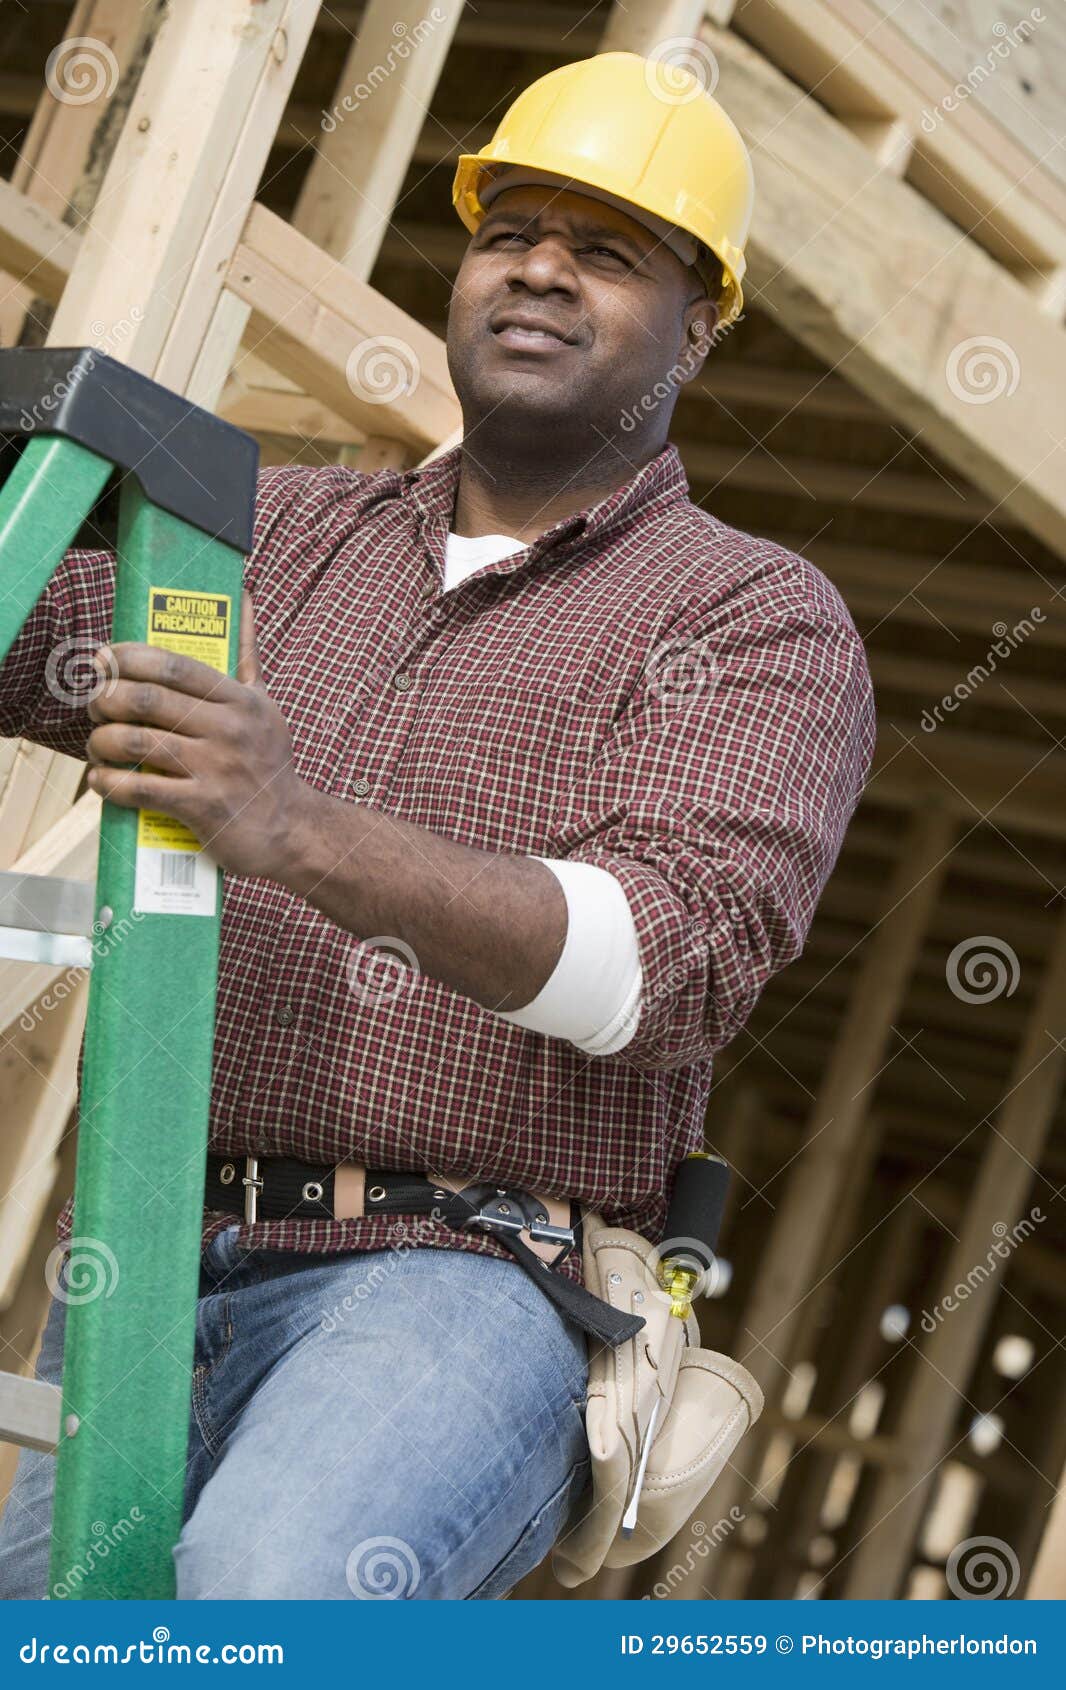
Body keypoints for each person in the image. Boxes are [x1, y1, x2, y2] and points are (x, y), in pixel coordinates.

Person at [0, 52, 874, 1600]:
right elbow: (24, 635)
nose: (538, 269)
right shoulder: (270, 535)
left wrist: (292, 824)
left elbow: (664, 963)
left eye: (605, 250)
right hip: (144, 1252)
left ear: (698, 325)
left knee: (264, 1594)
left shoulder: (750, 618)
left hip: (462, 1278)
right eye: (508, 233)